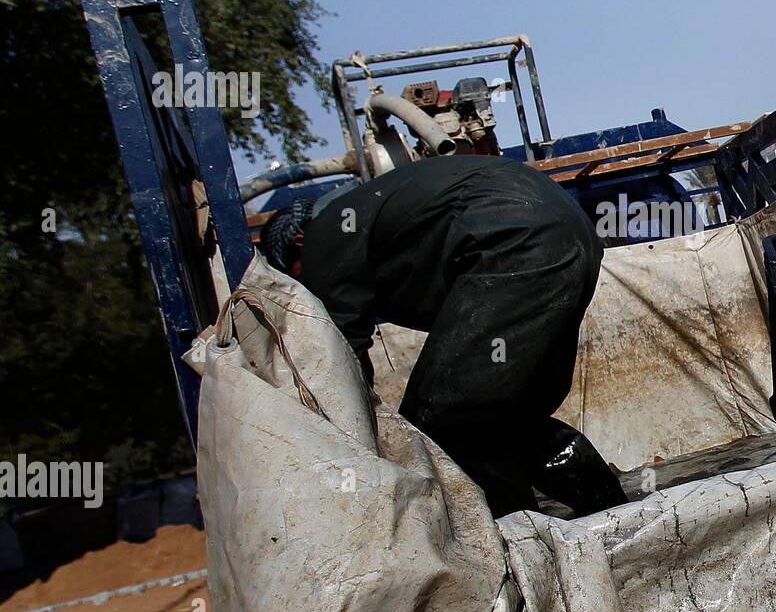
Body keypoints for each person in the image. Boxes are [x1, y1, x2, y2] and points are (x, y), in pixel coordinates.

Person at [260, 154, 628, 518]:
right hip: (566, 234)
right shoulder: (371, 215)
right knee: (509, 421)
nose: (305, 288)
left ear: (298, 242)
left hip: (514, 242)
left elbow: (341, 348)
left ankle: (516, 550)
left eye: (297, 275)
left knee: (441, 422)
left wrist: (350, 437)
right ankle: (616, 516)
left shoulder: (325, 235)